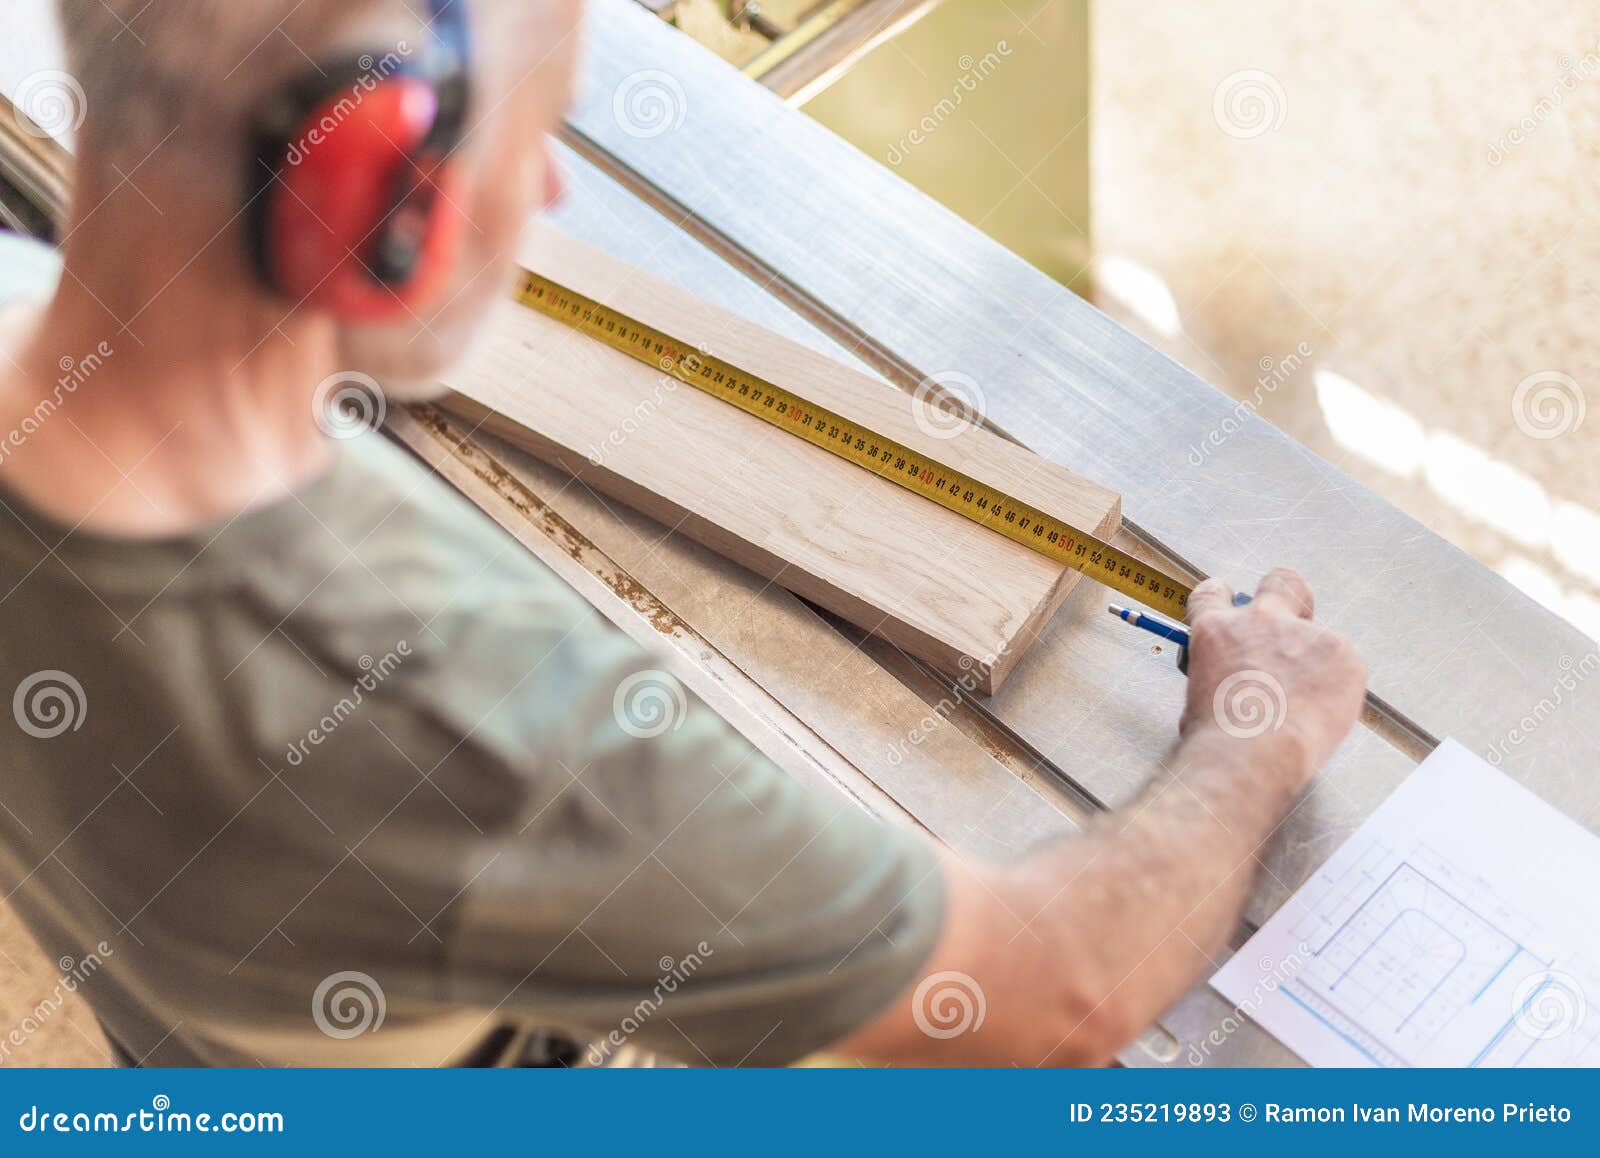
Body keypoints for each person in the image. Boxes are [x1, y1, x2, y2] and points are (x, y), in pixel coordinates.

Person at [0, 0, 1366, 1067]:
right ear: (377, 202)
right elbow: (1049, 991)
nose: (550, 197)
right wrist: (1252, 730)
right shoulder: (470, 715)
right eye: (534, 138)